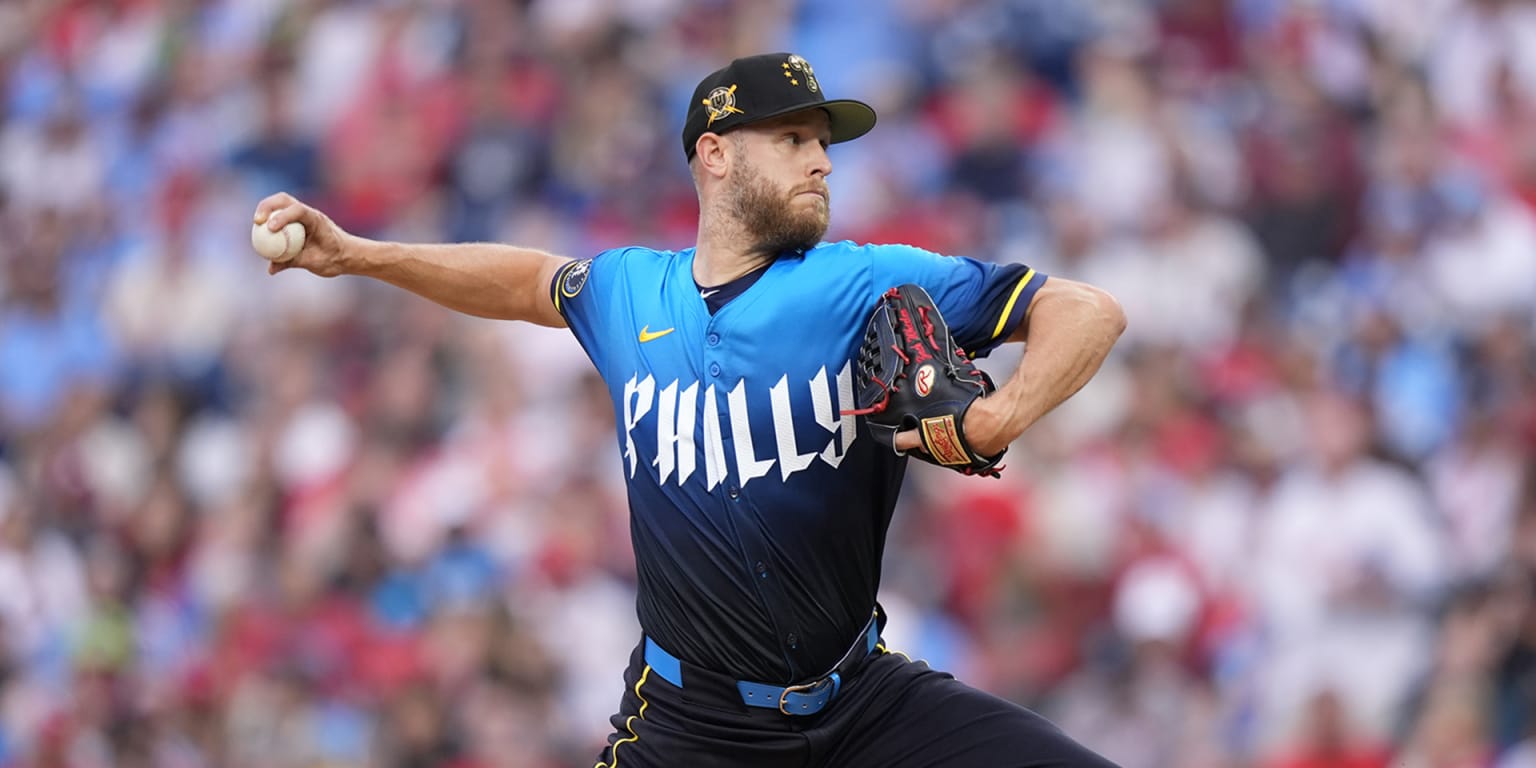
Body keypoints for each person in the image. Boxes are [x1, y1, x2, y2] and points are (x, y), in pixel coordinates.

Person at [253, 52, 1125, 768]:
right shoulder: (630, 292)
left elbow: (1084, 310)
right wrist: (361, 254)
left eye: (825, 143)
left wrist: (1000, 416)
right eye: (793, 139)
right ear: (717, 154)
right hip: (689, 730)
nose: (822, 160)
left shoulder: (861, 281)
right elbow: (526, 282)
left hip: (862, 703)